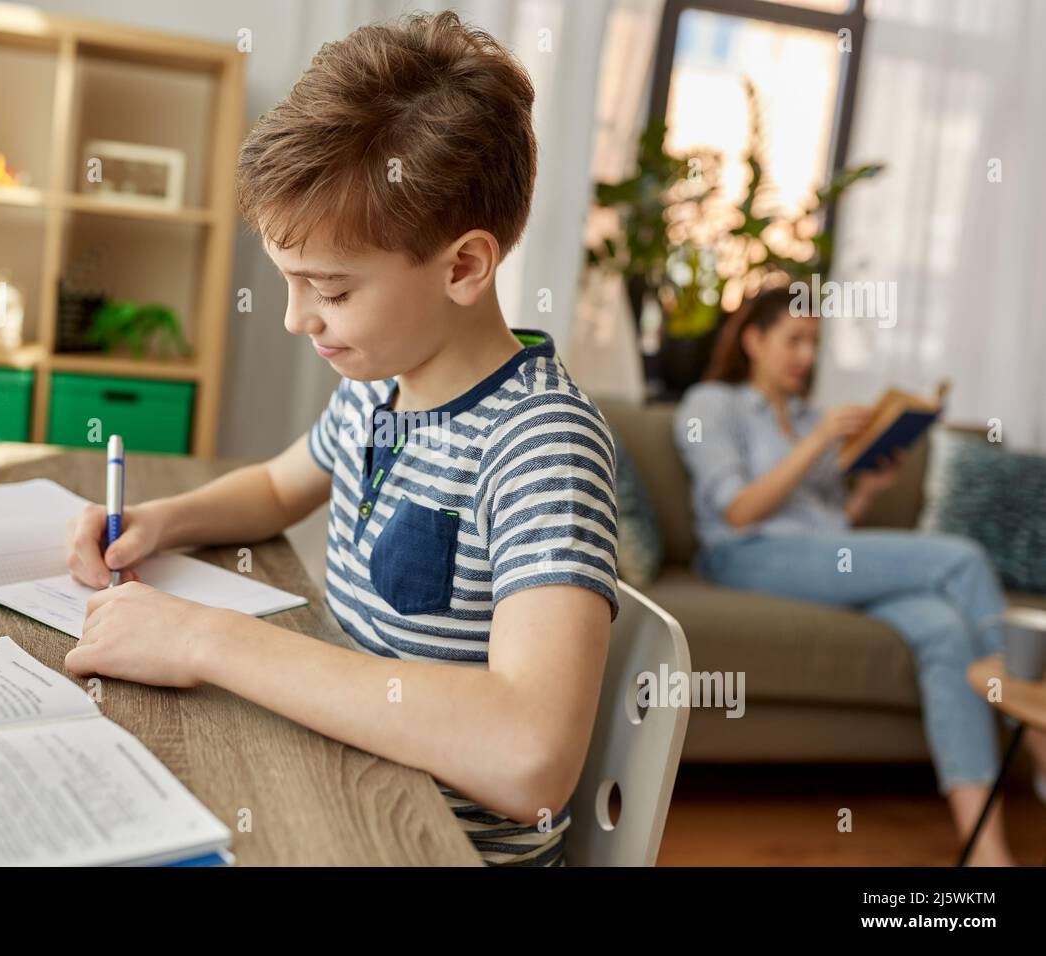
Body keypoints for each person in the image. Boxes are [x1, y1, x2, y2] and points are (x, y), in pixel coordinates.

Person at [61, 11, 620, 866]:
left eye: (330, 288)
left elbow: (531, 755)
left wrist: (202, 638)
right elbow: (282, 488)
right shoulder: (382, 384)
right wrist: (161, 520)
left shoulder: (540, 444)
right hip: (337, 782)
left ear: (464, 267)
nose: (295, 319)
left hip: (423, 843)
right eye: (287, 282)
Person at [673, 284, 1046, 866]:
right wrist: (821, 439)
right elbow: (738, 510)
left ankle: (986, 852)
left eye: (814, 343)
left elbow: (831, 526)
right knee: (962, 557)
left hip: (824, 560)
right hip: (749, 555)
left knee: (944, 629)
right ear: (754, 339)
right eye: (794, 339)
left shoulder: (802, 415)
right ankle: (1040, 737)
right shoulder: (711, 405)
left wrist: (866, 491)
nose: (806, 355)